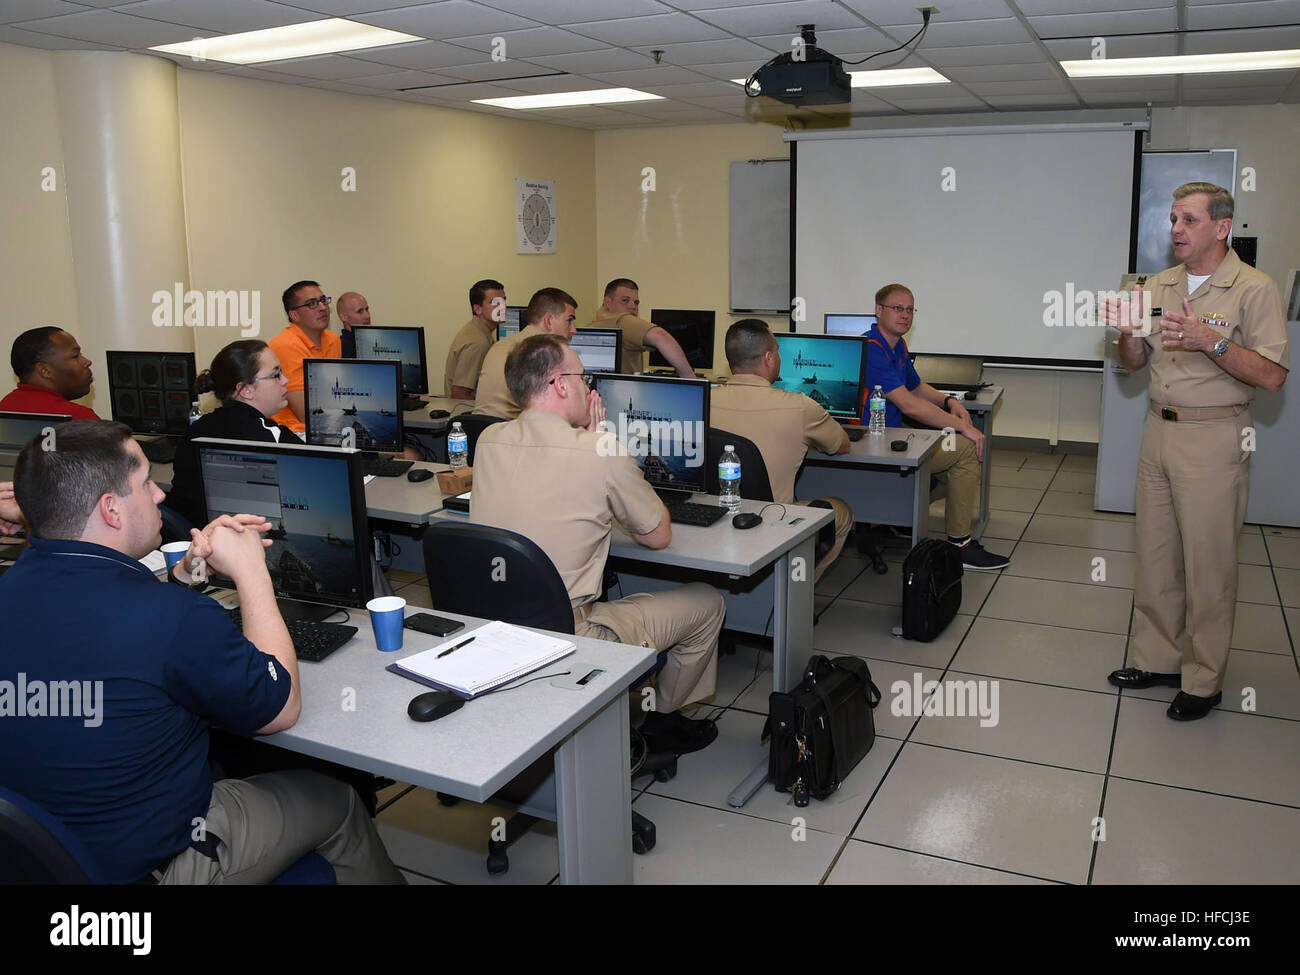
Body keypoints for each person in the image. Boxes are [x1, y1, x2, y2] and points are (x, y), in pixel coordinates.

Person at [0, 420, 404, 883]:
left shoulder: (12, 587)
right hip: (155, 865)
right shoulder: (171, 619)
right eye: (146, 483)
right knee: (338, 798)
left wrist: (187, 576)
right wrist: (253, 573)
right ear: (111, 509)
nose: (160, 496)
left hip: (45, 856)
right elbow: (281, 706)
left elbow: (111, 628)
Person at [473, 334, 725, 754]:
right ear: (560, 384)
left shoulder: (488, 440)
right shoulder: (600, 450)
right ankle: (661, 725)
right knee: (708, 601)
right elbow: (659, 536)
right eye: (583, 377)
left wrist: (589, 443)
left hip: (497, 630)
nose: (589, 387)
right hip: (572, 635)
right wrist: (599, 443)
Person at [1105, 182, 1288, 721]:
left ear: (1221, 227)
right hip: (1158, 429)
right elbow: (1134, 363)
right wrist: (1129, 335)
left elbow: (1274, 376)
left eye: (1188, 220)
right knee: (1156, 554)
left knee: (1208, 565)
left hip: (1215, 437)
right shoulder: (1157, 284)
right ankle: (1158, 657)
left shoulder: (1254, 288)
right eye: (1173, 220)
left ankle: (1204, 679)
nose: (1176, 230)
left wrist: (1211, 341)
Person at [864, 284, 1010, 571]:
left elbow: (915, 387)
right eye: (897, 308)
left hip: (891, 434)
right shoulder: (872, 350)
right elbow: (909, 405)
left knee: (952, 467)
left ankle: (900, 516)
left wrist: (948, 401)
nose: (905, 315)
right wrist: (961, 426)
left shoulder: (897, 345)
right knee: (965, 450)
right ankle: (959, 545)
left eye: (909, 309)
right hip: (875, 440)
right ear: (879, 310)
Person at [710, 319, 854, 582]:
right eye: (777, 351)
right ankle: (798, 593)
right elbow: (842, 444)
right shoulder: (800, 407)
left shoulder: (703, 401)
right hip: (771, 528)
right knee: (842, 510)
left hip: (714, 522)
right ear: (768, 358)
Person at [166, 340, 301, 529]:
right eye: (276, 375)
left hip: (195, 538)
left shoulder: (195, 430)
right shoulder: (272, 437)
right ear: (245, 390)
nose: (285, 380)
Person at [472, 287, 578, 419]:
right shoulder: (545, 355)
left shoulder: (498, 346)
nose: (574, 330)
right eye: (569, 320)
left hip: (482, 432)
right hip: (519, 435)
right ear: (549, 321)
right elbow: (566, 412)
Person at [268, 280, 340, 434]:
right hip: (296, 432)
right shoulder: (285, 346)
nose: (322, 308)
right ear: (294, 315)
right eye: (312, 304)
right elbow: (308, 414)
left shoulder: (333, 340)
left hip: (330, 423)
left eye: (323, 300)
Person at [588, 278, 695, 377]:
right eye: (625, 300)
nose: (633, 306)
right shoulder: (621, 321)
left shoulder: (595, 323)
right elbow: (660, 335)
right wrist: (692, 380)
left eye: (636, 302)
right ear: (607, 302)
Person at [1, 326, 98, 419]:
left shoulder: (5, 406)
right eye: (75, 356)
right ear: (45, 371)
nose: (87, 362)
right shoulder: (79, 418)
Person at [444, 279, 505, 399]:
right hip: (467, 414)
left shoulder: (478, 332)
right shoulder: (478, 343)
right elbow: (459, 394)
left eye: (503, 301)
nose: (502, 307)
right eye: (495, 303)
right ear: (478, 309)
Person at [335, 291, 371, 359]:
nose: (367, 316)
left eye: (367, 309)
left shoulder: (375, 342)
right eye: (360, 311)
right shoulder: (339, 348)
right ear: (344, 317)